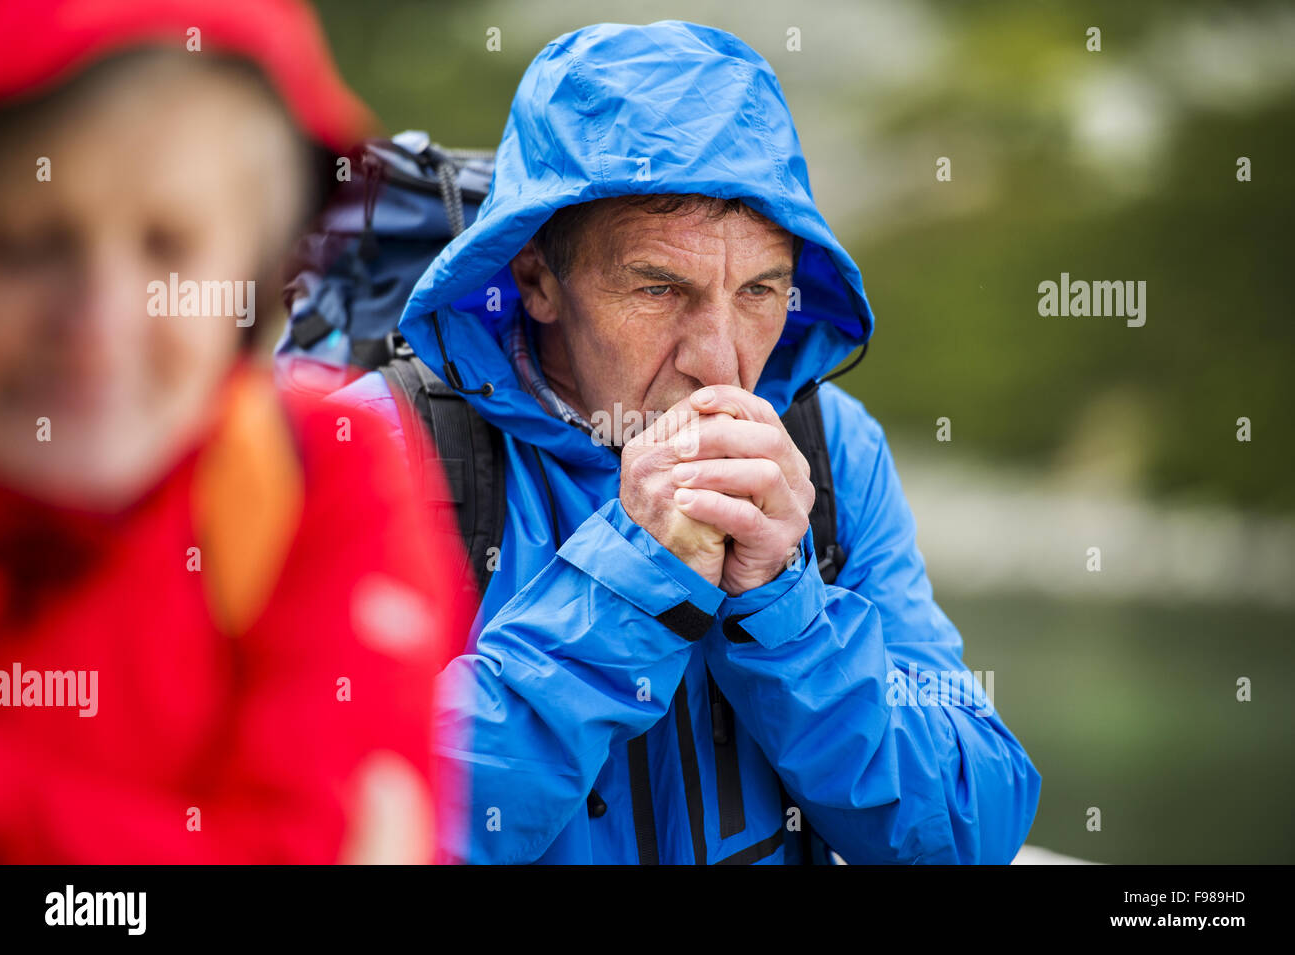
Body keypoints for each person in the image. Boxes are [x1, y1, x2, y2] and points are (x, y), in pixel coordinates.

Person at [334, 20, 1042, 864]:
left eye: (758, 290)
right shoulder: (369, 451)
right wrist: (628, 587)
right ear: (535, 280)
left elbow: (970, 827)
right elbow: (343, 828)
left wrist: (785, 612)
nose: (720, 361)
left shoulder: (829, 450)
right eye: (659, 287)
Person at [0, 0, 466, 863]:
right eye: (26, 243)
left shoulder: (317, 468)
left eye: (168, 246)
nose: (100, 325)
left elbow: (313, 842)